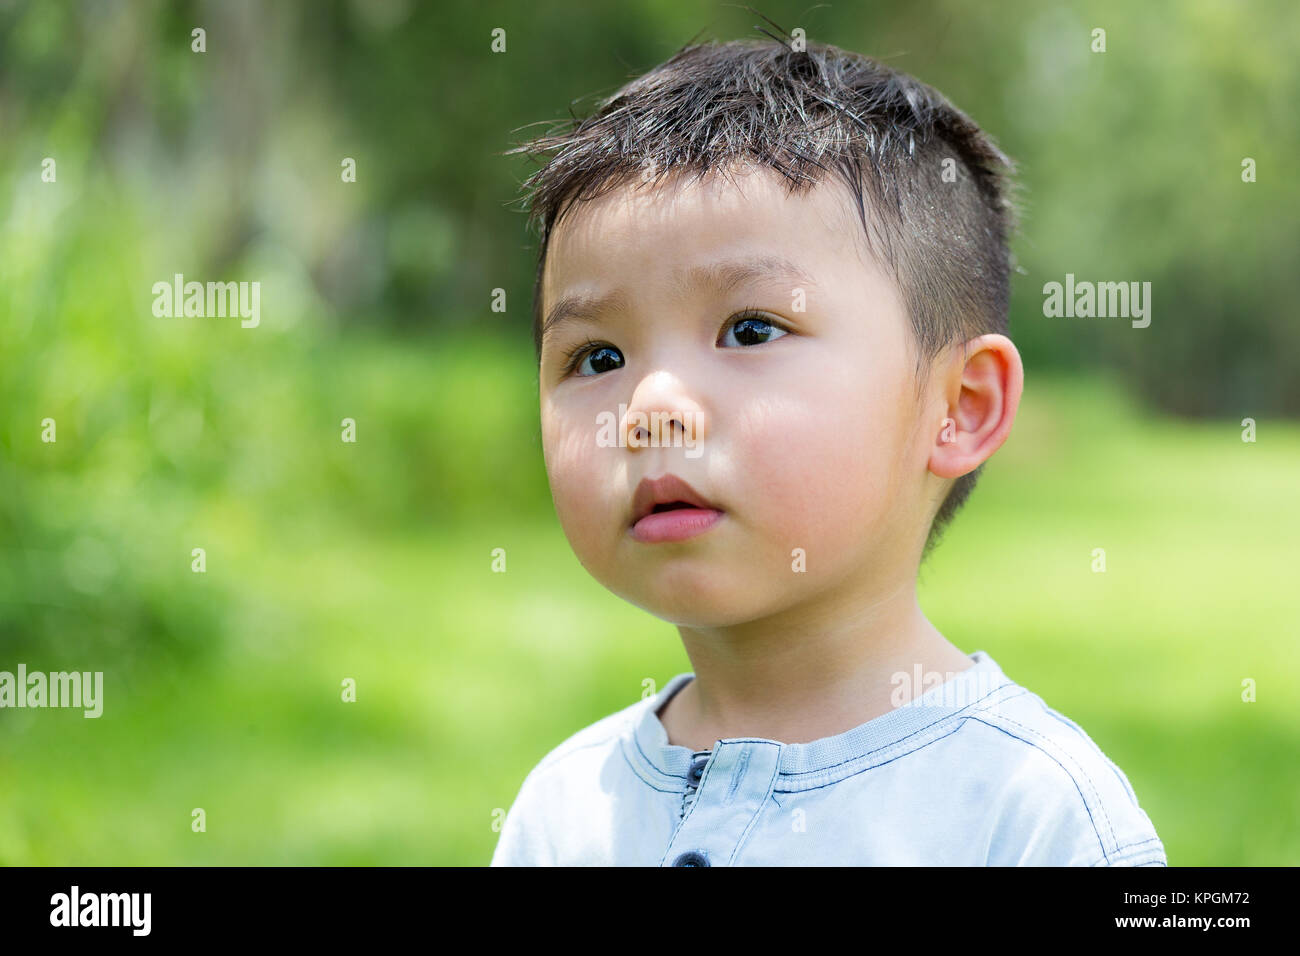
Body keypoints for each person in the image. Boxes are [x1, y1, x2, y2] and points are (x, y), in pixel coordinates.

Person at [491, 36, 1165, 866]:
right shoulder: (565, 813)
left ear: (958, 407)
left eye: (748, 330)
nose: (650, 409)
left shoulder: (1031, 814)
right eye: (597, 357)